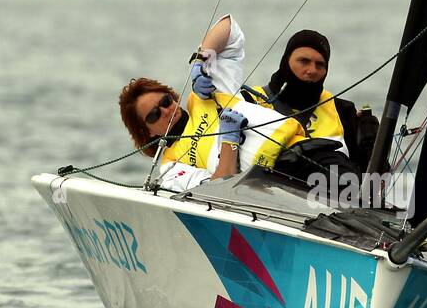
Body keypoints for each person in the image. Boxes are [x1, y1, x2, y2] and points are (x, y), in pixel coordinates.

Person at [117, 15, 307, 191]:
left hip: (304, 151)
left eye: (166, 101)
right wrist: (229, 141)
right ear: (146, 131)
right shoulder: (171, 168)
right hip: (276, 187)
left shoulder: (206, 93)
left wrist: (199, 62)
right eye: (154, 115)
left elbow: (228, 27)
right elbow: (217, 189)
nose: (166, 111)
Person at [242, 30, 380, 178]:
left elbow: (375, 184)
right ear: (286, 61)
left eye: (320, 65)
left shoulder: (343, 111)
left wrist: (373, 148)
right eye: (304, 61)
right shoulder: (248, 101)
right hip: (257, 190)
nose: (312, 70)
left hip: (330, 191)